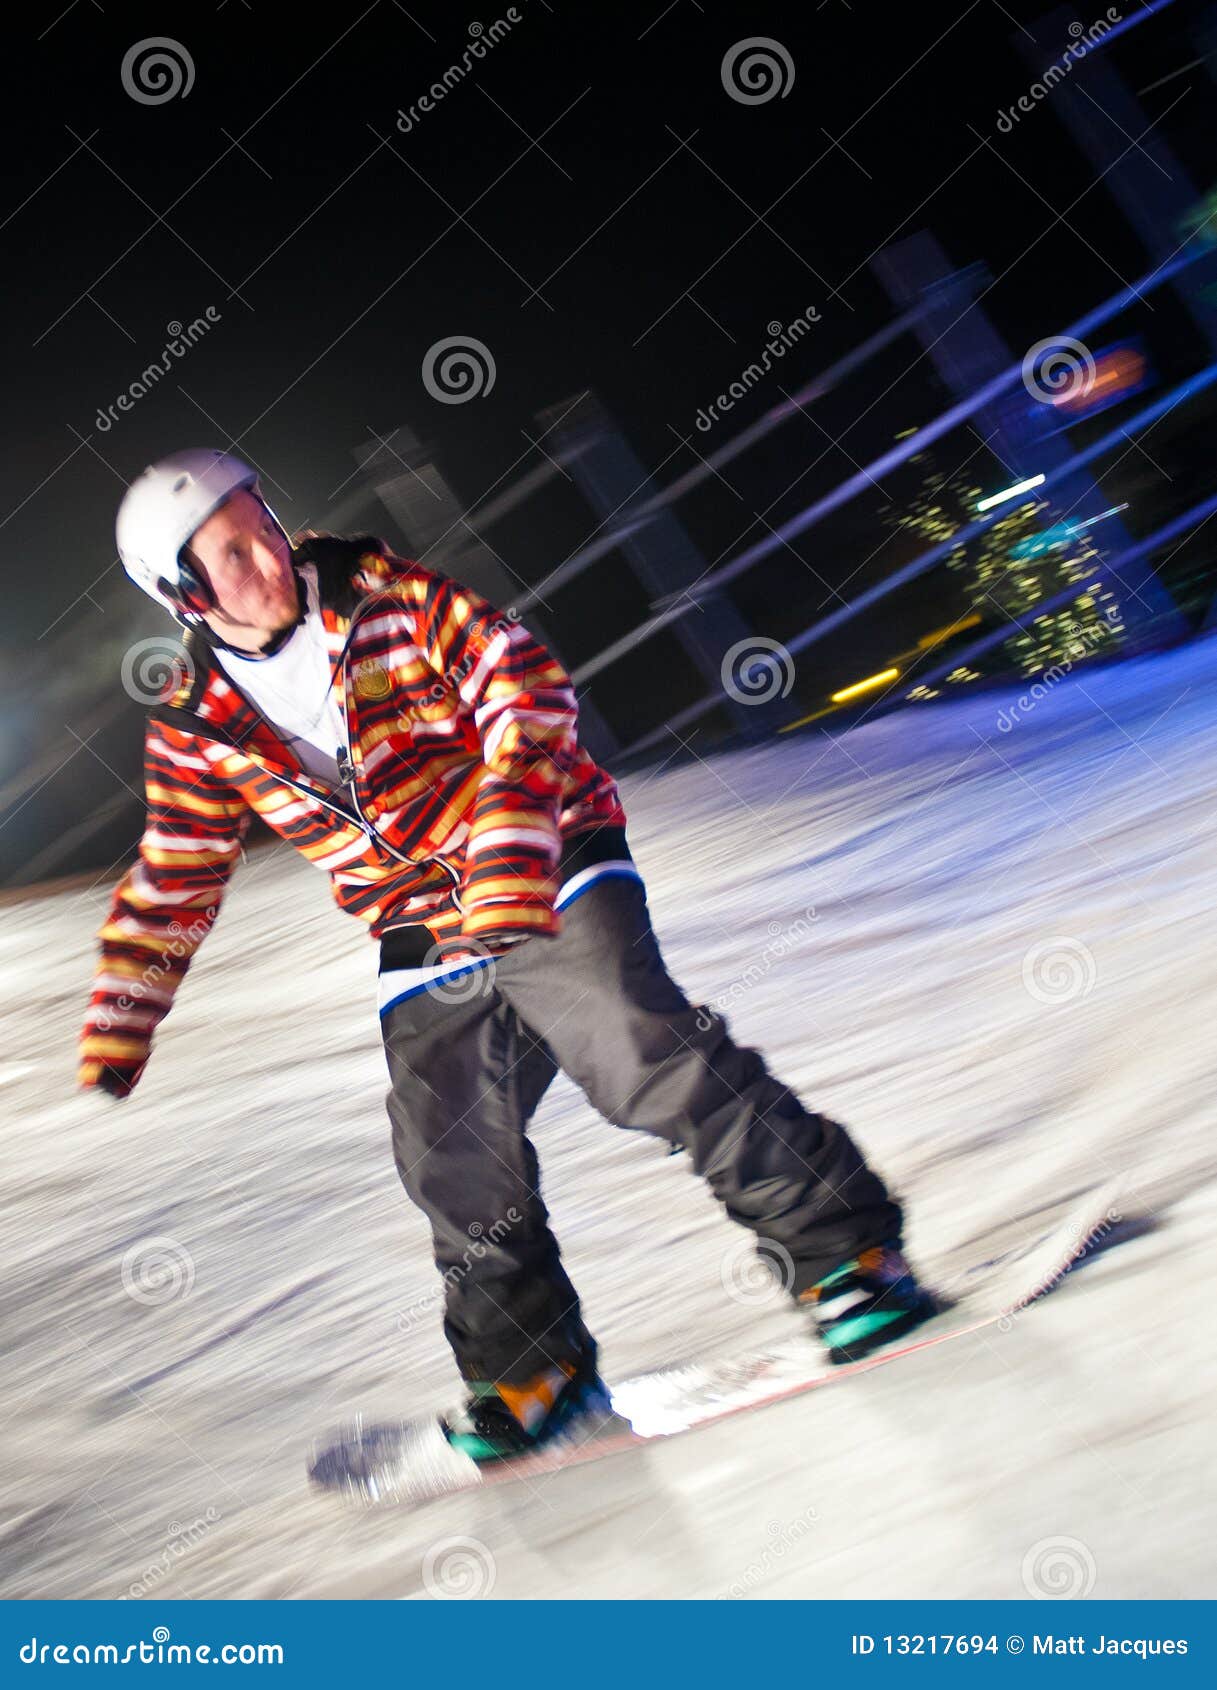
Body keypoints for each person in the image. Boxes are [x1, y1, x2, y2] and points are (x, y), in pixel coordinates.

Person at [79, 447, 936, 1462]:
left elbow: (521, 689)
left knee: (635, 1050)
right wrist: (121, 1018)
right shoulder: (195, 723)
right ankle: (531, 1368)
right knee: (446, 1149)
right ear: (184, 594)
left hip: (545, 845)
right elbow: (176, 871)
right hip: (417, 918)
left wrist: (510, 839)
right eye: (231, 551)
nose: (265, 552)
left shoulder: (387, 598)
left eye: (262, 522)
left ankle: (849, 1258)